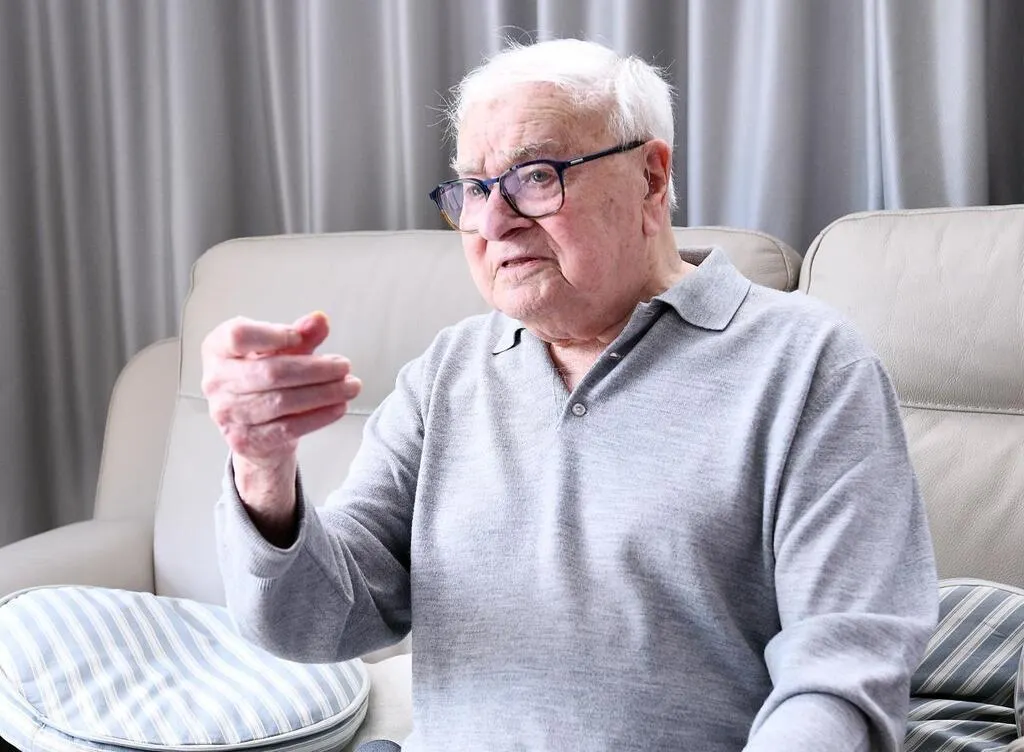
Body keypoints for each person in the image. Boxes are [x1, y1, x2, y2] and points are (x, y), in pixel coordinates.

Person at [203, 38, 939, 751]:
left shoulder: (807, 362)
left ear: (651, 178)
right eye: (473, 188)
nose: (491, 222)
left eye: (535, 176)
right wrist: (263, 472)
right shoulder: (447, 372)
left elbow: (841, 671)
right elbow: (316, 625)